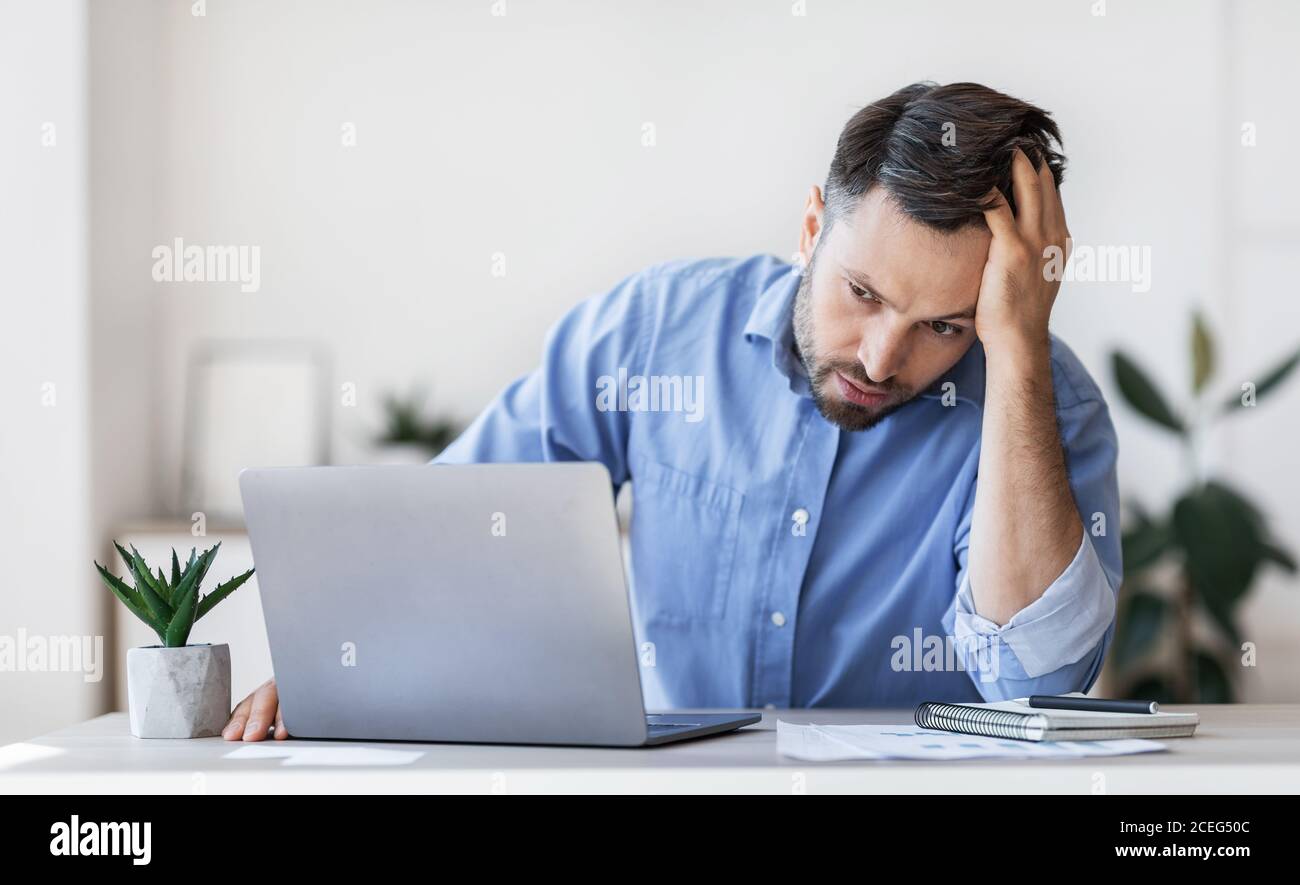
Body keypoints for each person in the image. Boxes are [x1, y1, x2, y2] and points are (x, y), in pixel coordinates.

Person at [226, 81, 1119, 742]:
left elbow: (1034, 687)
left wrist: (1015, 352)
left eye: (943, 325)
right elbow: (460, 526)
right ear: (811, 228)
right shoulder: (654, 335)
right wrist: (345, 664)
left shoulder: (1046, 405)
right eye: (862, 292)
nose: (884, 358)